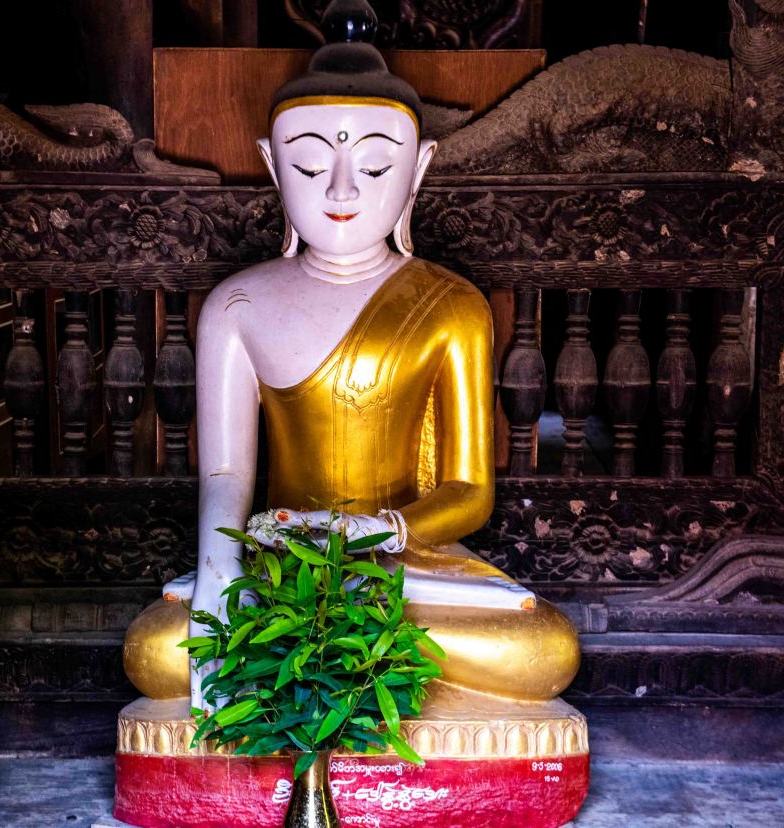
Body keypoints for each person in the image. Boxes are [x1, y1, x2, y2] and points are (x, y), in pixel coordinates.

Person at [122, 0, 580, 709]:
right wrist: (219, 572)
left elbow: (470, 492)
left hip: (398, 566)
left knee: (542, 652)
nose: (340, 190)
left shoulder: (452, 306)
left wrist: (383, 531)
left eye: (372, 166)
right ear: (273, 166)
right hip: (281, 570)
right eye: (309, 164)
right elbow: (223, 472)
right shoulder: (237, 307)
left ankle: (322, 668)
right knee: (157, 651)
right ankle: (363, 675)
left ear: (419, 171)